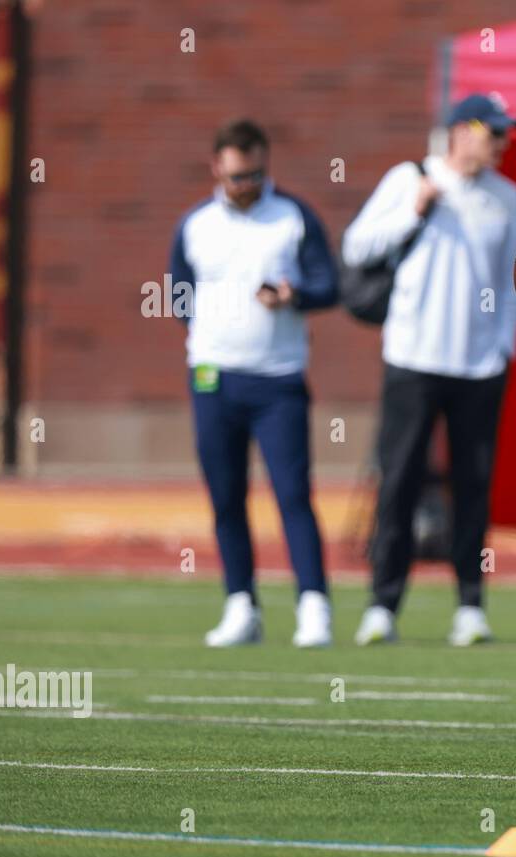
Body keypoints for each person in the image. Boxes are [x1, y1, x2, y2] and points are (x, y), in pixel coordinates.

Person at [343, 94, 516, 648]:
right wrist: (412, 211)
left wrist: (503, 348)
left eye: (504, 132)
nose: (501, 141)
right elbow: (356, 246)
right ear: (459, 131)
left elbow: (515, 279)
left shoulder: (508, 195)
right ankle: (382, 605)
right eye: (491, 131)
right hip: (413, 358)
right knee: (397, 480)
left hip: (478, 366)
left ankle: (470, 605)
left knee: (473, 484)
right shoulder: (410, 177)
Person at [169, 119, 339, 648]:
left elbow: (329, 283)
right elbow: (180, 296)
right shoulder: (195, 224)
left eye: (257, 174)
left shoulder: (292, 216)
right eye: (239, 175)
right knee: (225, 495)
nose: (248, 185)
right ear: (217, 168)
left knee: (291, 493)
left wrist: (293, 295)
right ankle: (240, 604)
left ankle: (314, 606)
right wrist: (212, 334)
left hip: (278, 379)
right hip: (213, 377)